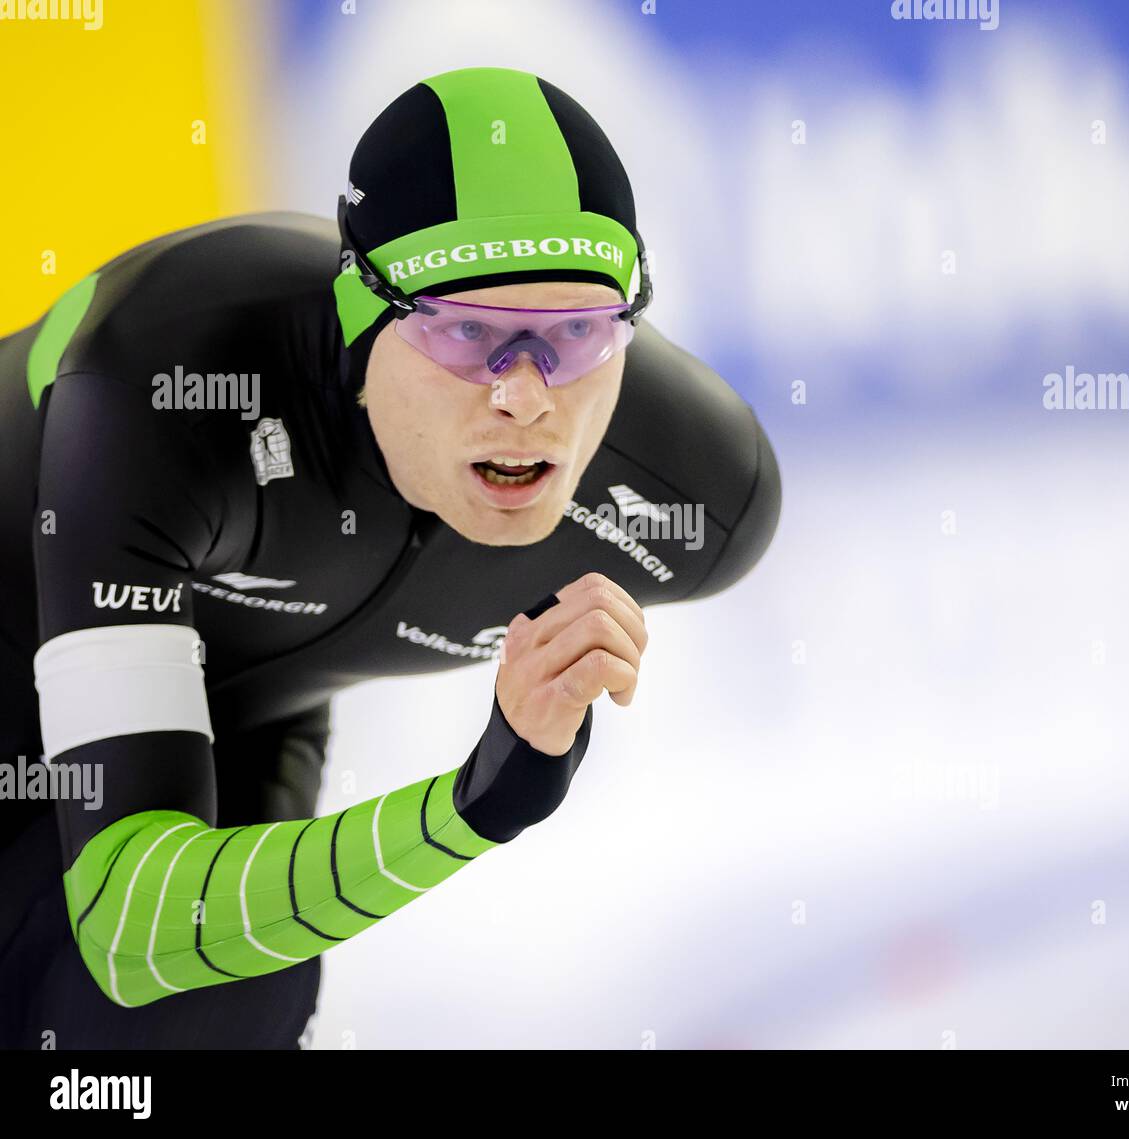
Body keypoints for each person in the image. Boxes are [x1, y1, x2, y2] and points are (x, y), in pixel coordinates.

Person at [0, 66, 780, 1048]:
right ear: (363, 313)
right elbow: (135, 925)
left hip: (243, 709)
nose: (528, 398)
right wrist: (472, 804)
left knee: (206, 1010)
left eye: (577, 335)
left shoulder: (697, 499)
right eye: (466, 332)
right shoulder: (169, 376)